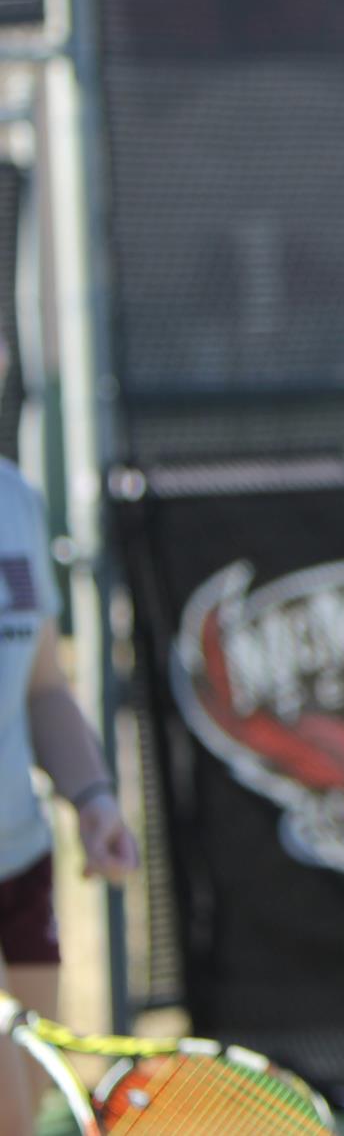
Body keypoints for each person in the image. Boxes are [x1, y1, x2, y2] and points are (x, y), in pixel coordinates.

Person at [0, 458, 139, 1136]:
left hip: (20, 861)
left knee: (22, 1108)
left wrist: (92, 796)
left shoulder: (15, 496)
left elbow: (43, 683)